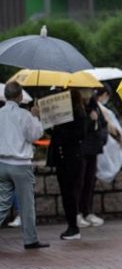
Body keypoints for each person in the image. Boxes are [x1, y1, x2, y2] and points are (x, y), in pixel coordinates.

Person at [0, 82, 48, 249]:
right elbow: (34, 135)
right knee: (26, 204)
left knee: (2, 203)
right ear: (20, 96)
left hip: (2, 164)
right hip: (20, 164)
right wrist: (35, 116)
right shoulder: (24, 115)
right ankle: (30, 239)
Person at [48, 89, 87, 240]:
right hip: (62, 157)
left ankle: (73, 227)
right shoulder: (62, 114)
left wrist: (58, 129)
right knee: (66, 192)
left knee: (70, 192)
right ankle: (71, 225)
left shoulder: (78, 113)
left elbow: (79, 134)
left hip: (72, 157)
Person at [75, 88, 108, 228]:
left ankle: (87, 211)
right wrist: (89, 120)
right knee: (79, 182)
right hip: (81, 150)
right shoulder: (77, 108)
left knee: (89, 182)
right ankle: (77, 214)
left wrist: (102, 138)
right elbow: (78, 129)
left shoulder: (95, 107)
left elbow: (103, 125)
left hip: (93, 149)